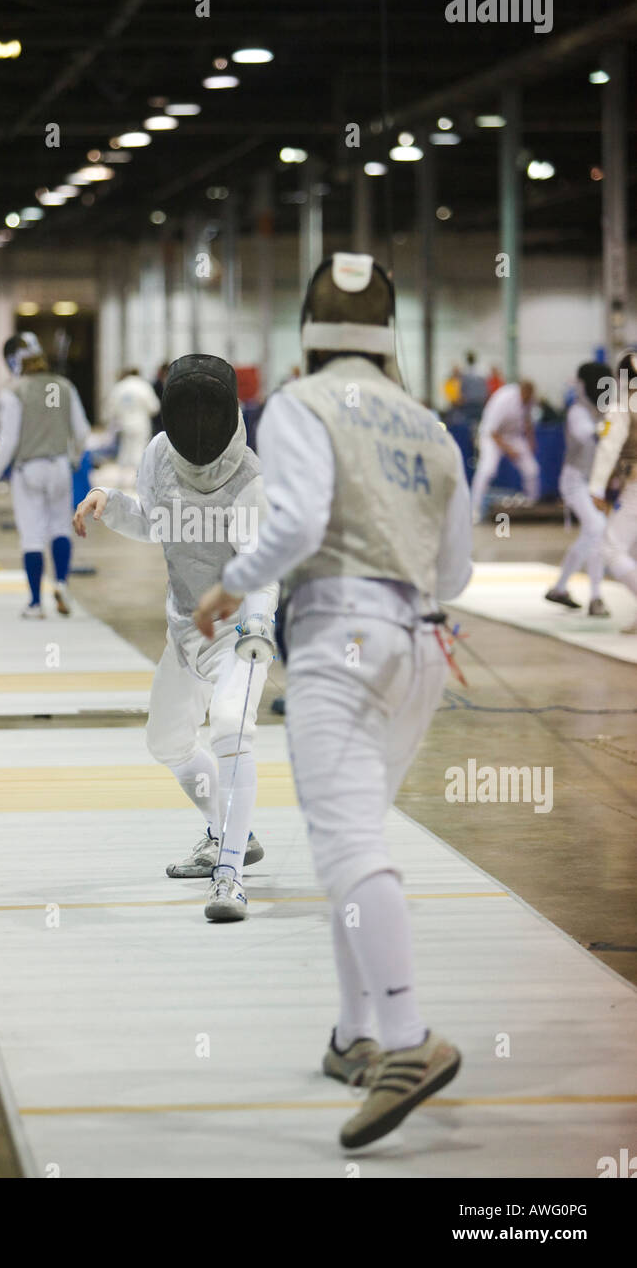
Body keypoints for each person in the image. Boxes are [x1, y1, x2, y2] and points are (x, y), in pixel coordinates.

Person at [194, 254, 472, 1149]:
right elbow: (459, 569)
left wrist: (233, 584)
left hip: (341, 640)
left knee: (346, 839)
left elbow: (302, 520)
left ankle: (406, 1038)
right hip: (422, 647)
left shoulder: (299, 406)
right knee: (351, 840)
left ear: (308, 332)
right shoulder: (430, 423)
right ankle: (357, 1034)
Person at [74, 354, 278, 922]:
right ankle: (226, 833)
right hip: (184, 626)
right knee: (166, 741)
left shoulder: (251, 481)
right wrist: (109, 504)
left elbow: (263, 572)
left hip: (237, 629)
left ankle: (231, 877)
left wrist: (258, 629)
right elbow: (154, 522)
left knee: (234, 728)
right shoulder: (160, 456)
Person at [0, 332, 91, 618]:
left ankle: (35, 604)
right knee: (60, 529)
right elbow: (82, 432)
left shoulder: (14, 392)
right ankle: (61, 584)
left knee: (32, 536)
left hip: (29, 469)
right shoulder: (65, 386)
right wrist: (73, 458)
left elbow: (9, 440)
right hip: (60, 466)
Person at [545, 362, 612, 617]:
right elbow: (589, 436)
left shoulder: (603, 411)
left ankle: (560, 588)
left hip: (595, 482)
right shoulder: (578, 412)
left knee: (593, 533)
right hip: (574, 481)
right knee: (597, 529)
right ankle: (595, 597)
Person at [589, 347, 637, 634]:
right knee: (632, 548)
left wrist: (596, 487)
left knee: (611, 548)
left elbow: (608, 448)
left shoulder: (622, 406)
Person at [470, 378, 538, 522]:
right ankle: (474, 509)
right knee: (488, 470)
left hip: (513, 435)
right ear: (521, 391)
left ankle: (531, 505)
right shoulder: (504, 399)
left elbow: (527, 419)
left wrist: (531, 440)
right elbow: (493, 432)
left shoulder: (529, 399)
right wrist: (509, 450)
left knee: (532, 470)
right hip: (491, 436)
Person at [106, 368, 160, 483]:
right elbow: (154, 407)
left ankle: (122, 478)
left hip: (124, 424)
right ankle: (138, 480)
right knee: (140, 451)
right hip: (141, 423)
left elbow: (111, 409)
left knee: (125, 450)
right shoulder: (143, 386)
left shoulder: (119, 387)